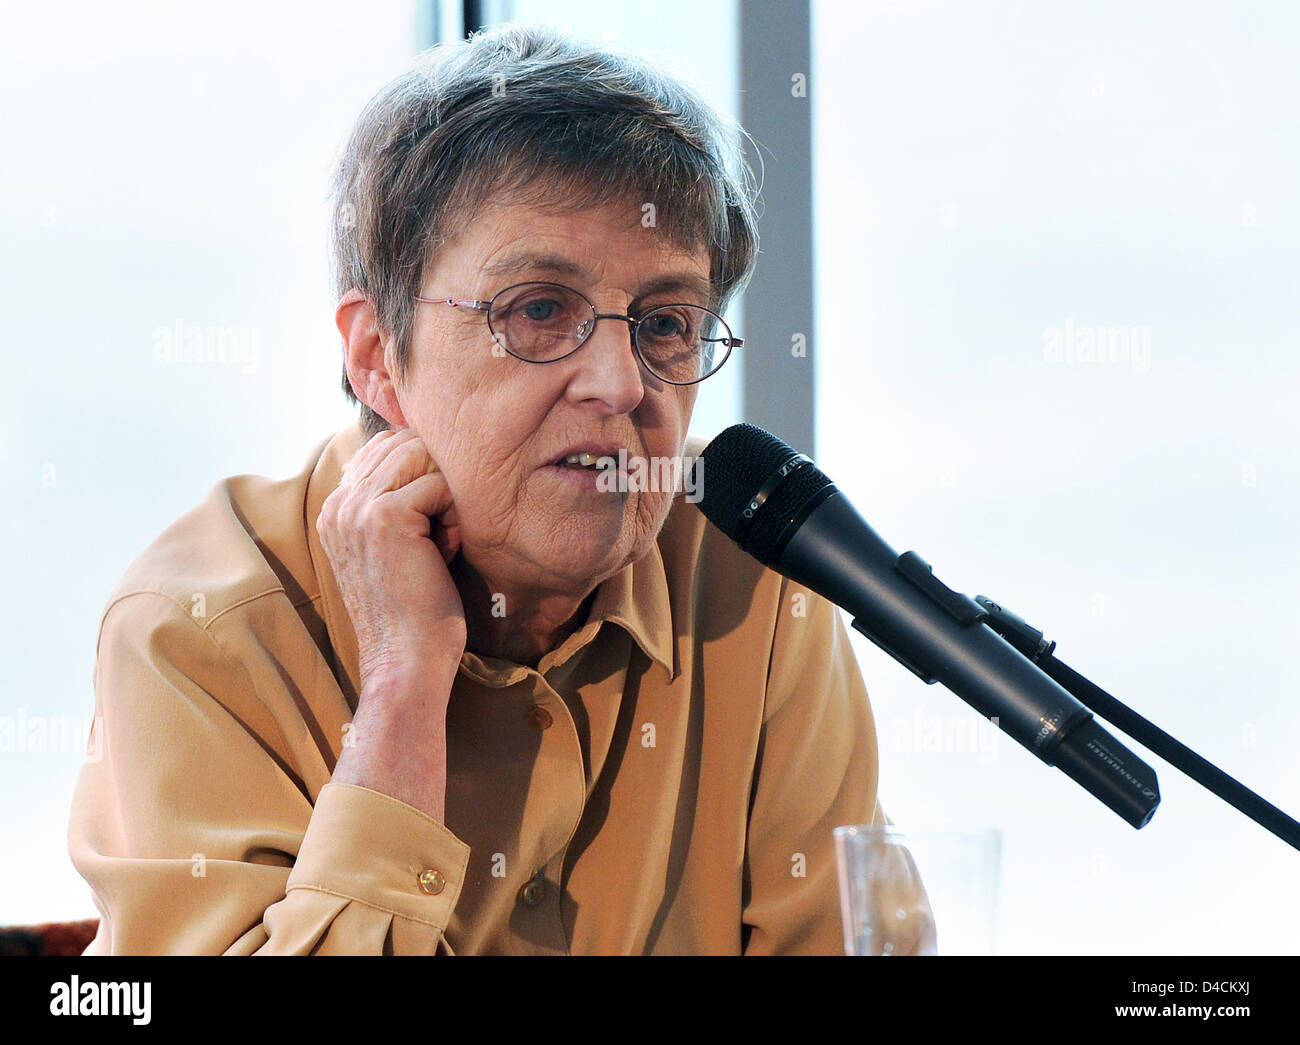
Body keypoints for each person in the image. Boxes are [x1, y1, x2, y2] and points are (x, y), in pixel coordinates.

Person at [67, 22, 934, 955]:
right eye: (538, 310)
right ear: (377, 358)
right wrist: (401, 687)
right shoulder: (197, 626)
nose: (620, 382)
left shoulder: (754, 584)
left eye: (668, 322)